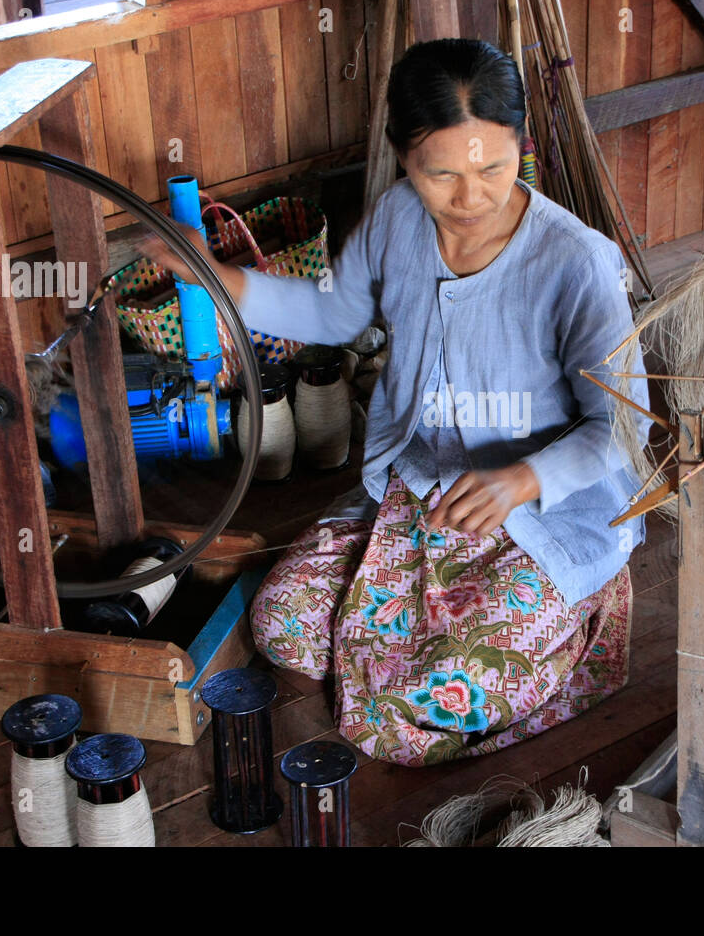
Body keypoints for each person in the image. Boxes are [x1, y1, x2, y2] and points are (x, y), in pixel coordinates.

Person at [144, 38, 650, 767]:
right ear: (404, 158)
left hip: (544, 509)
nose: (470, 198)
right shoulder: (396, 220)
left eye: (493, 168)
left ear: (522, 146)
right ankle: (412, 637)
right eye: (440, 174)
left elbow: (621, 426)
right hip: (422, 493)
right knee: (282, 621)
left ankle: (585, 607)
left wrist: (524, 478)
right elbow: (331, 317)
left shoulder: (576, 262)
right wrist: (212, 272)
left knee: (449, 690)